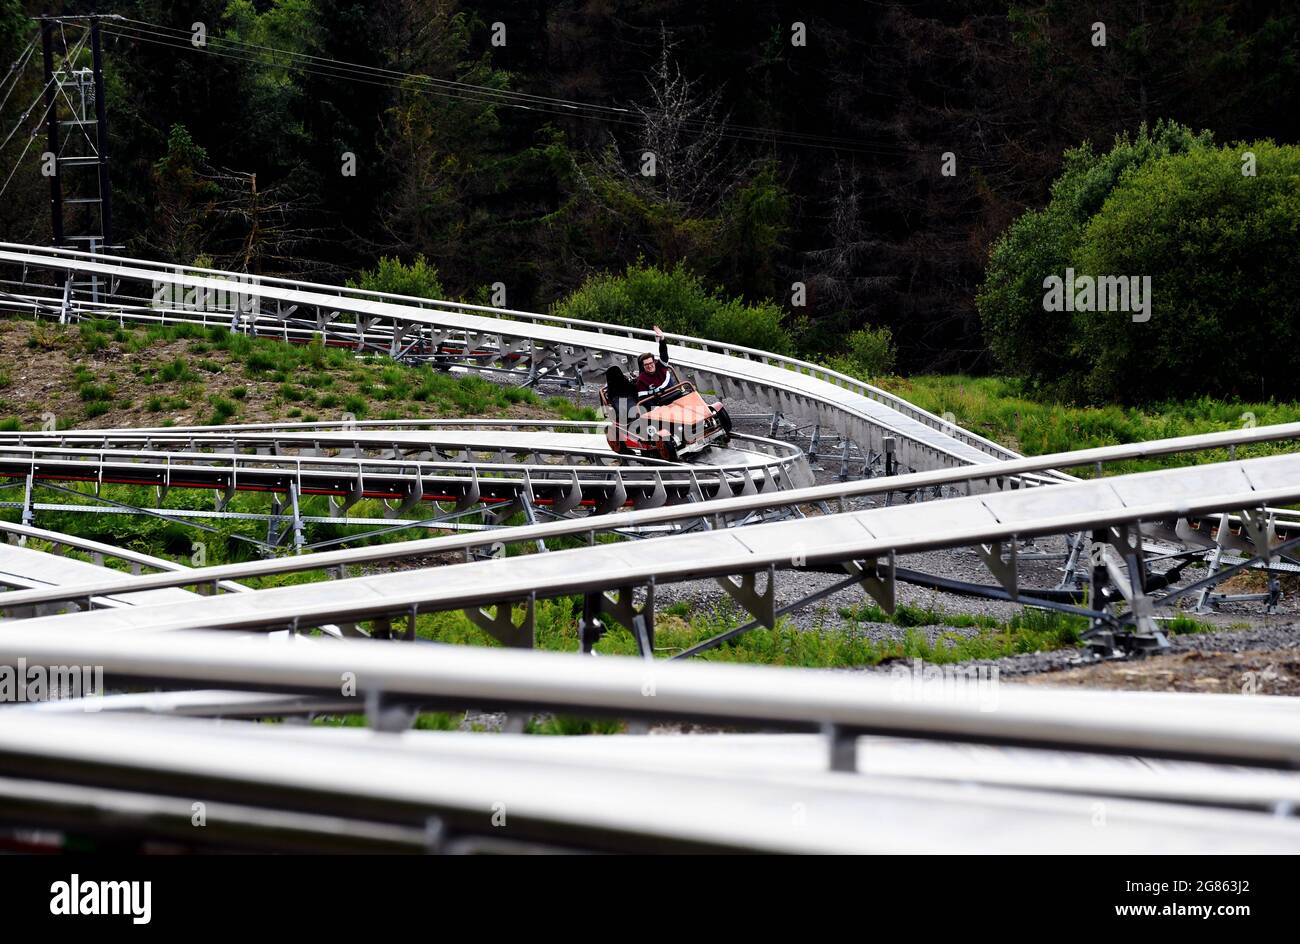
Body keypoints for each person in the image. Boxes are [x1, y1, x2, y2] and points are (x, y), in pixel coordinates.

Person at [635, 325, 680, 403]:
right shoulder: (641, 380)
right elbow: (644, 401)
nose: (649, 366)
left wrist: (662, 339)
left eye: (651, 363)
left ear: (654, 362)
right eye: (646, 365)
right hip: (660, 405)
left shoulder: (661, 366)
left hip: (675, 397)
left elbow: (663, 353)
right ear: (643, 366)